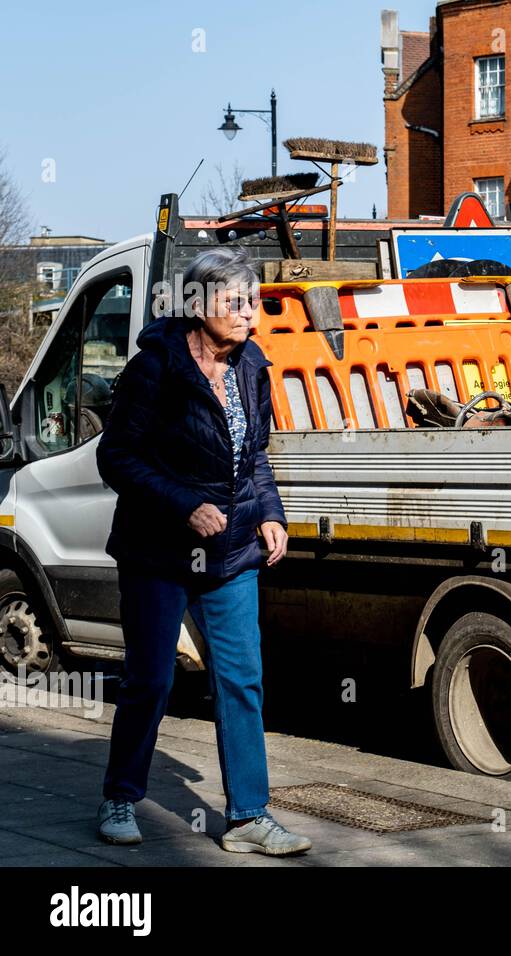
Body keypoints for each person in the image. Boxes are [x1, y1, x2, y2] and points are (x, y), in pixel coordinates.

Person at [94, 247, 311, 856]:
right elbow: (117, 458)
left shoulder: (252, 365)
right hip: (156, 553)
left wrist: (270, 514)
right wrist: (183, 503)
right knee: (151, 681)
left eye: (254, 302)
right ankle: (120, 795)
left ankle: (248, 817)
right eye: (236, 303)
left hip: (232, 552)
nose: (251, 316)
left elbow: (256, 457)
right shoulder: (155, 369)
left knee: (242, 680)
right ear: (197, 306)